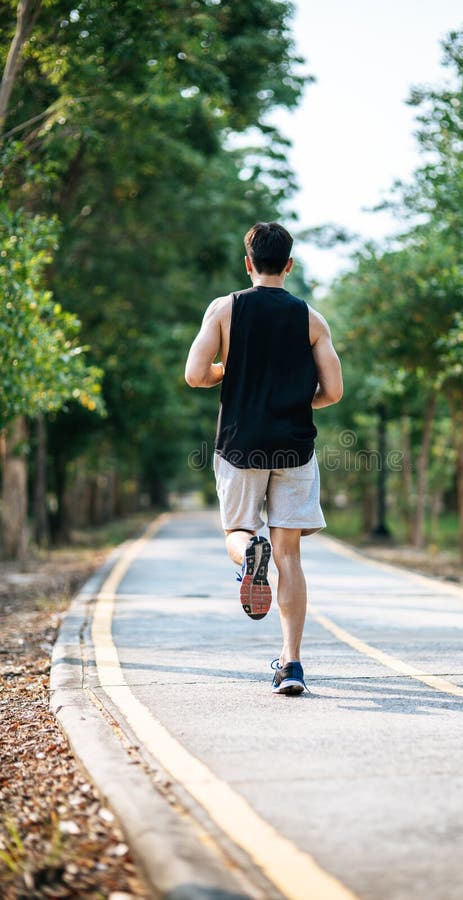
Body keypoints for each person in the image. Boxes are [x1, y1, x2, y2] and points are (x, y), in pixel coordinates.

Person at [185, 222, 343, 696]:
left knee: (238, 531)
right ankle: (291, 664)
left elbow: (195, 375)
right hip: (294, 446)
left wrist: (228, 370)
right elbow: (332, 391)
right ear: (289, 265)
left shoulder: (224, 309)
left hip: (240, 443)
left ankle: (249, 554)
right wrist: (298, 401)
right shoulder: (312, 319)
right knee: (290, 555)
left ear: (248, 263)